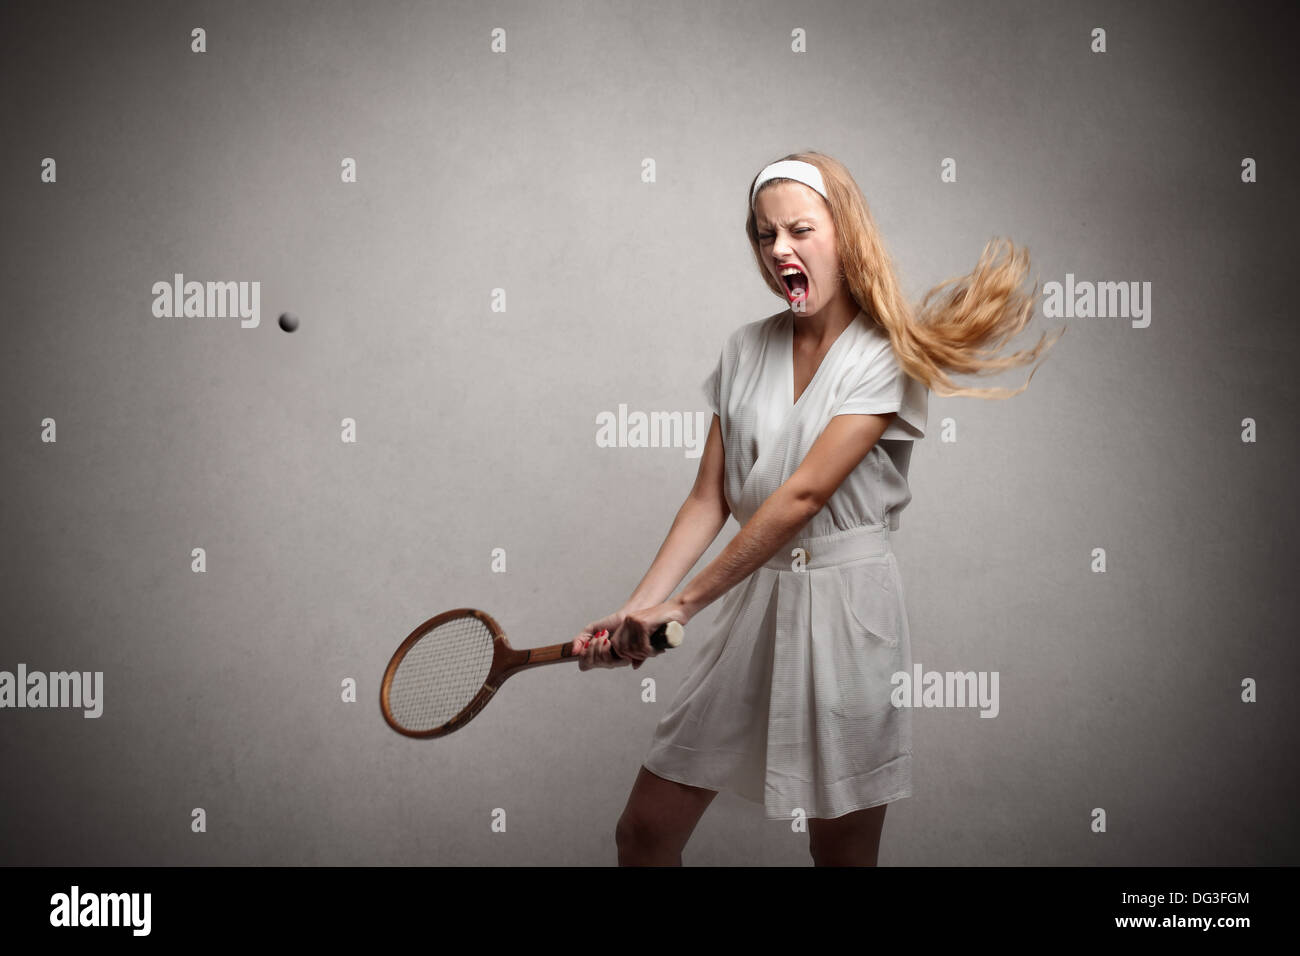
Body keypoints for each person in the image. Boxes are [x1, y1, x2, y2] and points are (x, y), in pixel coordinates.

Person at [570, 151, 1063, 866]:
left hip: (850, 611)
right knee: (644, 833)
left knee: (842, 855)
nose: (779, 251)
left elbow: (803, 496)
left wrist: (681, 607)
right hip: (754, 598)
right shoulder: (745, 348)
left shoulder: (884, 354)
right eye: (765, 235)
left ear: (846, 235)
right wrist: (639, 606)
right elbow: (709, 498)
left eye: (799, 230)